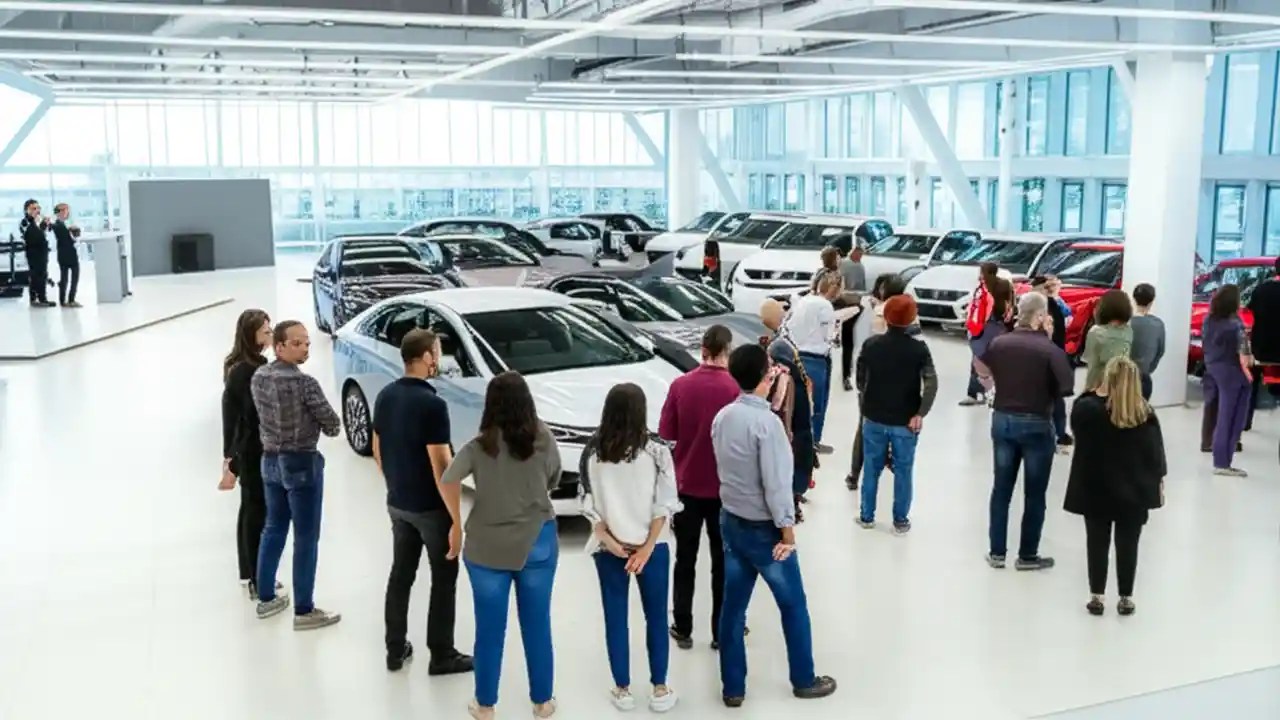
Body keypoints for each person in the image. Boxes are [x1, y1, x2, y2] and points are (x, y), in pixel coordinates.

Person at [713, 344, 837, 708]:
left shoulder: (723, 417)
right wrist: (787, 531)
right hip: (764, 530)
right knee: (793, 605)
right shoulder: (767, 424)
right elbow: (777, 485)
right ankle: (803, 678)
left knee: (732, 610)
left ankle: (733, 688)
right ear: (766, 377)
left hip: (731, 521)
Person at [440, 371, 561, 720]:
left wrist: (456, 523)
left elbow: (448, 477)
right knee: (537, 625)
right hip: (537, 541)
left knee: (489, 630)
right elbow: (553, 479)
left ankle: (486, 705)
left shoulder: (480, 445)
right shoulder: (544, 437)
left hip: (486, 548)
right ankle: (542, 702)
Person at [373, 328, 474, 675]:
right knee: (444, 578)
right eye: (438, 352)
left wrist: (396, 485)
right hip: (431, 510)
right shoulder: (433, 405)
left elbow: (377, 448)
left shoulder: (385, 395)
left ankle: (394, 648)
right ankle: (442, 654)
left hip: (398, 504)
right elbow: (443, 466)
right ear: (428, 357)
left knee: (401, 575)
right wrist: (457, 520)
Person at [581, 383, 682, 712]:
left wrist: (609, 541)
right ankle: (660, 687)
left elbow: (588, 504)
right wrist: (647, 548)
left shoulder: (592, 452)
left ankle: (622, 689)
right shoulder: (657, 451)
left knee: (615, 618)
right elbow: (665, 505)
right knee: (655, 617)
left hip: (609, 549)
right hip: (651, 549)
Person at [250, 320, 343, 629]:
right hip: (301, 462)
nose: (305, 347)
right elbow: (332, 424)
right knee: (306, 537)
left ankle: (265, 597)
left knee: (273, 527)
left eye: (306, 342)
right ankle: (304, 610)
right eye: (298, 343)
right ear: (279, 346)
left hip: (270, 461)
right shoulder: (306, 384)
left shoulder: (259, 377)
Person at [658, 325, 741, 652]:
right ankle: (722, 630)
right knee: (724, 562)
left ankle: (683, 624)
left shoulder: (680, 386)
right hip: (725, 492)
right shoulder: (736, 389)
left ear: (703, 348)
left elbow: (667, 435)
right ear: (727, 350)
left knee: (685, 559)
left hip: (687, 487)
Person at [1064, 356, 1166, 617]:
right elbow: (1155, 456)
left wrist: (1093, 391)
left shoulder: (1088, 409)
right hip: (1134, 490)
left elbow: (1075, 428)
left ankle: (1096, 595)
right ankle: (1126, 596)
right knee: (1129, 543)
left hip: (1096, 487)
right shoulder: (1145, 414)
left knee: (1096, 542)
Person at [979, 293, 1074, 571]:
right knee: (1035, 492)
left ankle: (997, 552)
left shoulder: (999, 342)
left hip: (1003, 419)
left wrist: (992, 384)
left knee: (1001, 489)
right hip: (1036, 423)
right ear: (1041, 316)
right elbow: (1066, 386)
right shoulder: (1049, 350)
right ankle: (1027, 555)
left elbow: (980, 365)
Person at [855, 295, 937, 534]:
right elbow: (931, 383)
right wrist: (921, 412)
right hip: (906, 419)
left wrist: (866, 397)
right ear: (912, 318)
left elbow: (860, 377)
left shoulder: (871, 345)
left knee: (871, 467)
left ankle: (867, 515)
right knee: (904, 470)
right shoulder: (919, 349)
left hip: (874, 416)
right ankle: (900, 519)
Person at [219, 309, 274, 601]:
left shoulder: (239, 365)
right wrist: (231, 455)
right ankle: (257, 576)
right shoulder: (248, 370)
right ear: (251, 334)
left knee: (250, 510)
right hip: (254, 449)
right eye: (265, 331)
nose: (270, 335)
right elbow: (242, 415)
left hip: (247, 448)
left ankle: (249, 572)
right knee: (258, 514)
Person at [760, 299, 816, 521]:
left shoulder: (777, 348)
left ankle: (790, 499)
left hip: (787, 417)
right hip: (796, 417)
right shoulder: (785, 345)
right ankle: (793, 497)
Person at [783, 273, 842, 455]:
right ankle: (813, 442)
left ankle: (798, 440)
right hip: (816, 358)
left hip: (798, 354)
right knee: (817, 404)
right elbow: (829, 336)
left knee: (801, 403)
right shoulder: (825, 306)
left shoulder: (803, 300)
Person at [1199, 285, 1253, 477]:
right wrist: (1248, 372)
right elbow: (1244, 353)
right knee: (1232, 418)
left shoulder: (1208, 321)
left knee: (1219, 415)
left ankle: (1218, 457)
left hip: (1213, 367)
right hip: (1233, 372)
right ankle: (1223, 461)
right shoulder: (1236, 325)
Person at [1031, 276, 1073, 449]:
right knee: (1055, 399)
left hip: (1042, 359)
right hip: (1052, 358)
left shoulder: (1042, 307)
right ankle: (1060, 433)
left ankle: (1053, 433)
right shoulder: (1052, 305)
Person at [962, 263, 1013, 406]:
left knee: (978, 360)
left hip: (984, 327)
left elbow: (977, 308)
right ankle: (995, 393)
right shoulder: (1005, 285)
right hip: (999, 327)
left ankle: (977, 393)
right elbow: (1009, 305)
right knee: (995, 361)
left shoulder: (983, 288)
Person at [1244, 258, 1279, 441]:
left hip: (1261, 348)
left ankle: (1246, 421)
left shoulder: (1261, 289)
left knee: (1252, 384)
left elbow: (1251, 310)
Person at [1082, 289, 1134, 391]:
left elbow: (1091, 362)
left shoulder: (1096, 332)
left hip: (1098, 385)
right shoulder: (1128, 331)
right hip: (1121, 385)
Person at [1129, 283, 1166, 401]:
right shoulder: (1158, 325)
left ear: (1134, 299)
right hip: (1144, 376)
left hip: (1124, 376)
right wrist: (1148, 369)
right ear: (1151, 301)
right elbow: (1160, 351)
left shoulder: (1126, 323)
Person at [838, 246, 868, 392]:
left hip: (851, 305)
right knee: (848, 343)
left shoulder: (860, 267)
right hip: (848, 305)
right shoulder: (844, 265)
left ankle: (847, 374)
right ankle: (846, 375)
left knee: (849, 344)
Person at [19, 199, 54, 308]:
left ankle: (38, 298)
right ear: (27, 210)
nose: (37, 210)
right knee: (36, 274)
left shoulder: (39, 220)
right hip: (33, 252)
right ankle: (40, 298)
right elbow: (29, 233)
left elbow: (47, 230)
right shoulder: (25, 222)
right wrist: (38, 223)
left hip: (42, 251)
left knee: (42, 274)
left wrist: (46, 223)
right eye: (33, 208)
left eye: (38, 208)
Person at [50, 203, 81, 308]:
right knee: (67, 278)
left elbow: (75, 237)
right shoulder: (58, 225)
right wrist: (71, 231)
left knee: (70, 278)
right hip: (66, 254)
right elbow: (66, 238)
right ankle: (66, 300)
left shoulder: (65, 225)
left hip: (68, 254)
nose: (67, 212)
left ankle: (68, 300)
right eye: (65, 210)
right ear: (60, 212)